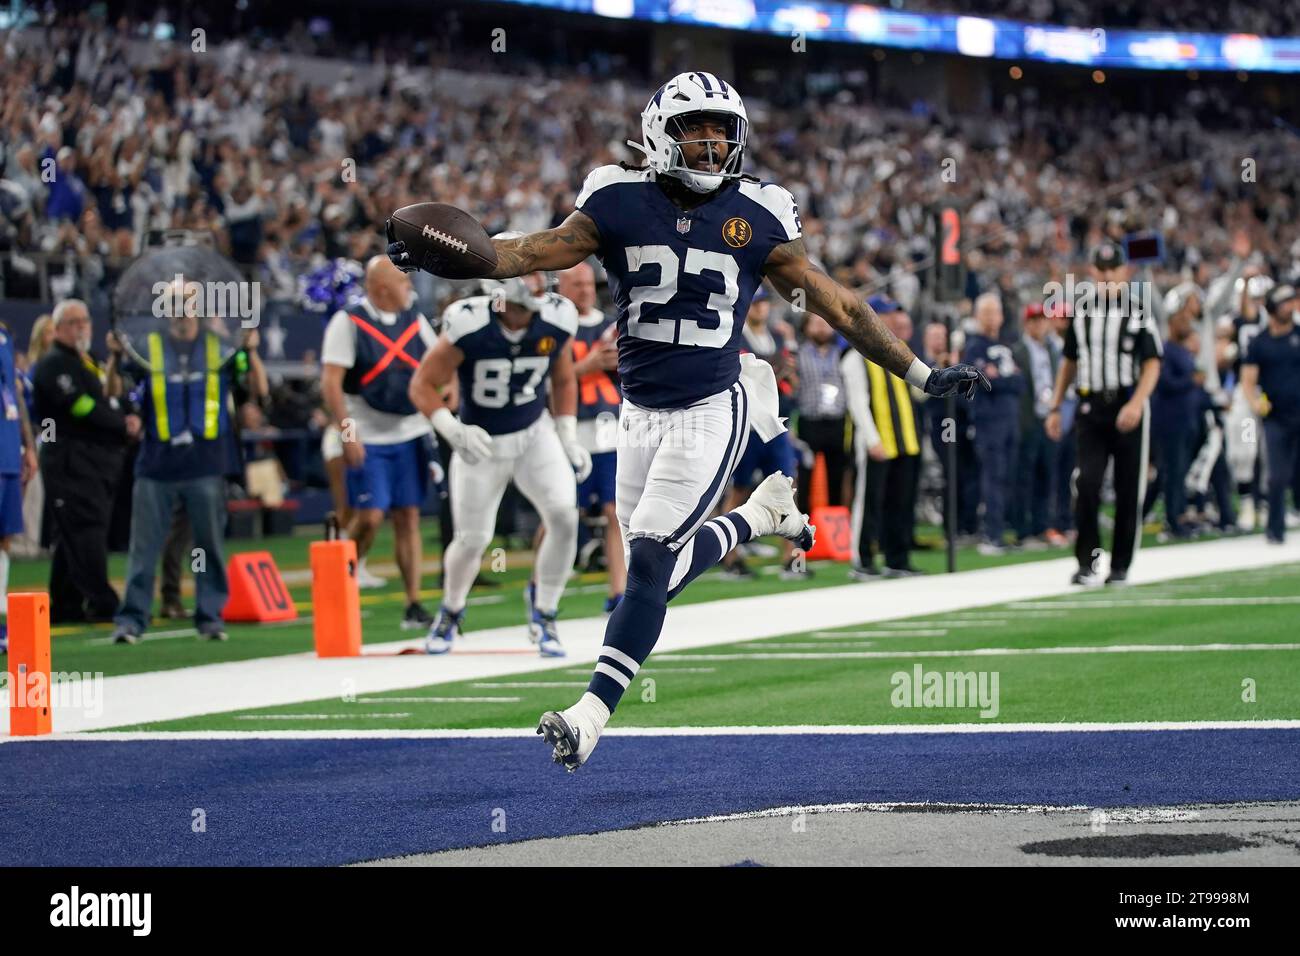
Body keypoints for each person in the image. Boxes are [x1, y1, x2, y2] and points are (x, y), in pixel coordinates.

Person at [388, 71, 987, 770]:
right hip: (638, 415)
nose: (710, 142)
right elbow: (530, 251)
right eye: (694, 127)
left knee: (646, 563)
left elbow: (842, 306)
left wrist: (918, 373)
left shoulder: (760, 211)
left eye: (720, 129)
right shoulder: (614, 198)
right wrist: (457, 255)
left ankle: (588, 718)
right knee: (658, 574)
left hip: (711, 407)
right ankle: (759, 517)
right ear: (658, 133)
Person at [407, 250, 589, 657]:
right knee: (473, 538)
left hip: (532, 434)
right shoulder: (469, 321)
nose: (540, 281)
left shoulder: (557, 317)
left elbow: (562, 380)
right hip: (481, 442)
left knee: (563, 515)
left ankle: (545, 613)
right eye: (530, 273)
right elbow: (422, 385)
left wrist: (567, 433)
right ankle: (451, 611)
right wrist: (453, 429)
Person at [108, 279, 266, 643]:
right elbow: (113, 392)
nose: (180, 308)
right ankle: (132, 619)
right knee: (144, 547)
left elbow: (257, 391)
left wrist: (253, 351)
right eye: (173, 301)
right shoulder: (148, 348)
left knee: (207, 544)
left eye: (186, 301)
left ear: (198, 305)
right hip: (156, 462)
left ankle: (210, 616)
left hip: (205, 461)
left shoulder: (220, 348)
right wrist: (114, 357)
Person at [321, 256, 439, 627]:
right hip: (368, 432)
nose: (411, 289)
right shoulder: (349, 321)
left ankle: (413, 602)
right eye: (404, 283)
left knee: (408, 516)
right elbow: (331, 383)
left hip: (409, 430)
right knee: (369, 517)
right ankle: (339, 582)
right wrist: (348, 433)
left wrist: (447, 392)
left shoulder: (415, 319)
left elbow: (441, 361)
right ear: (384, 288)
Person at [1046, 242, 1162, 585]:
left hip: (1127, 404)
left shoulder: (1139, 310)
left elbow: (1152, 363)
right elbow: (1069, 361)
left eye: (1114, 270)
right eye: (1102, 270)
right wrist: (1055, 405)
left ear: (1124, 272)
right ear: (1093, 273)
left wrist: (1137, 403)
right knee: (1087, 483)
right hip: (1090, 406)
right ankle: (1088, 561)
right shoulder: (1081, 312)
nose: (1108, 276)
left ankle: (1121, 566)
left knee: (1128, 489)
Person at [31, 299, 138, 625]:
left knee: (73, 532)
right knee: (86, 527)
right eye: (73, 322)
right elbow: (79, 406)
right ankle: (102, 600)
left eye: (85, 321)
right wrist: (121, 423)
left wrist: (122, 413)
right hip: (70, 460)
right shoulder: (53, 365)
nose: (81, 328)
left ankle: (65, 603)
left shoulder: (86, 362)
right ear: (59, 328)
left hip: (92, 460)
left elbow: (107, 396)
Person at [721, 285, 803, 579]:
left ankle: (791, 557)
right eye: (755, 305)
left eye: (764, 304)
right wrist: (776, 369)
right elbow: (743, 374)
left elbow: (788, 377)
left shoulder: (778, 336)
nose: (761, 309)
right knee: (740, 490)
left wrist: (787, 374)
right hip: (748, 424)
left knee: (787, 486)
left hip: (775, 422)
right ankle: (729, 557)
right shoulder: (737, 337)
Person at [843, 296, 924, 578]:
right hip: (877, 442)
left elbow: (917, 394)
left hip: (905, 439)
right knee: (869, 502)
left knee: (900, 502)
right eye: (887, 315)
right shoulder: (856, 356)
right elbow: (857, 402)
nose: (893, 321)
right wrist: (871, 438)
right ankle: (862, 560)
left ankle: (897, 558)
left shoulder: (900, 352)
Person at [560, 261, 625, 612]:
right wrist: (584, 367)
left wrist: (620, 366)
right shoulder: (556, 325)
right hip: (571, 430)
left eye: (588, 284)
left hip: (610, 429)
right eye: (577, 284)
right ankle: (542, 585)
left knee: (616, 511)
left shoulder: (609, 326)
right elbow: (542, 381)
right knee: (563, 513)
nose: (585, 290)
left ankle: (618, 591)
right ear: (562, 288)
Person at [963, 292, 1025, 555]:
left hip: (1010, 419)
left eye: (995, 312)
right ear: (977, 316)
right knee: (992, 477)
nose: (992, 318)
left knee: (1007, 476)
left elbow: (1020, 383)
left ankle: (1001, 529)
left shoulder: (1006, 344)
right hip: (989, 421)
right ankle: (991, 534)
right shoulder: (974, 346)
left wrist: (1001, 378)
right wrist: (1002, 379)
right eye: (986, 312)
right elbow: (983, 382)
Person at [1240, 280, 1300, 544]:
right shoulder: (1259, 343)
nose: (1290, 307)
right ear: (1273, 307)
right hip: (1275, 417)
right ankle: (1275, 529)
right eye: (1284, 302)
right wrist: (1255, 403)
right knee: (1276, 476)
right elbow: (1248, 380)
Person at [0, 320, 39, 653]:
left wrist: (28, 444)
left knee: (6, 536)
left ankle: (1, 616)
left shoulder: (4, 334)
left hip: (9, 449)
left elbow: (13, 389)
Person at [1010, 303, 1060, 548]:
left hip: (1047, 419)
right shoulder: (1017, 351)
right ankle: (1023, 530)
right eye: (1034, 320)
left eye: (1042, 320)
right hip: (1028, 421)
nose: (1039, 325)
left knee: (1046, 475)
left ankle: (1042, 526)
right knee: (1024, 476)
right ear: (1026, 324)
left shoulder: (1052, 350)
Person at [795, 313, 849, 515]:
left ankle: (836, 524)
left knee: (837, 475)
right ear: (806, 327)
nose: (821, 328)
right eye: (816, 323)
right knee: (805, 475)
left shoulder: (842, 354)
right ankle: (803, 525)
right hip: (810, 421)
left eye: (825, 323)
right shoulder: (798, 353)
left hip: (837, 421)